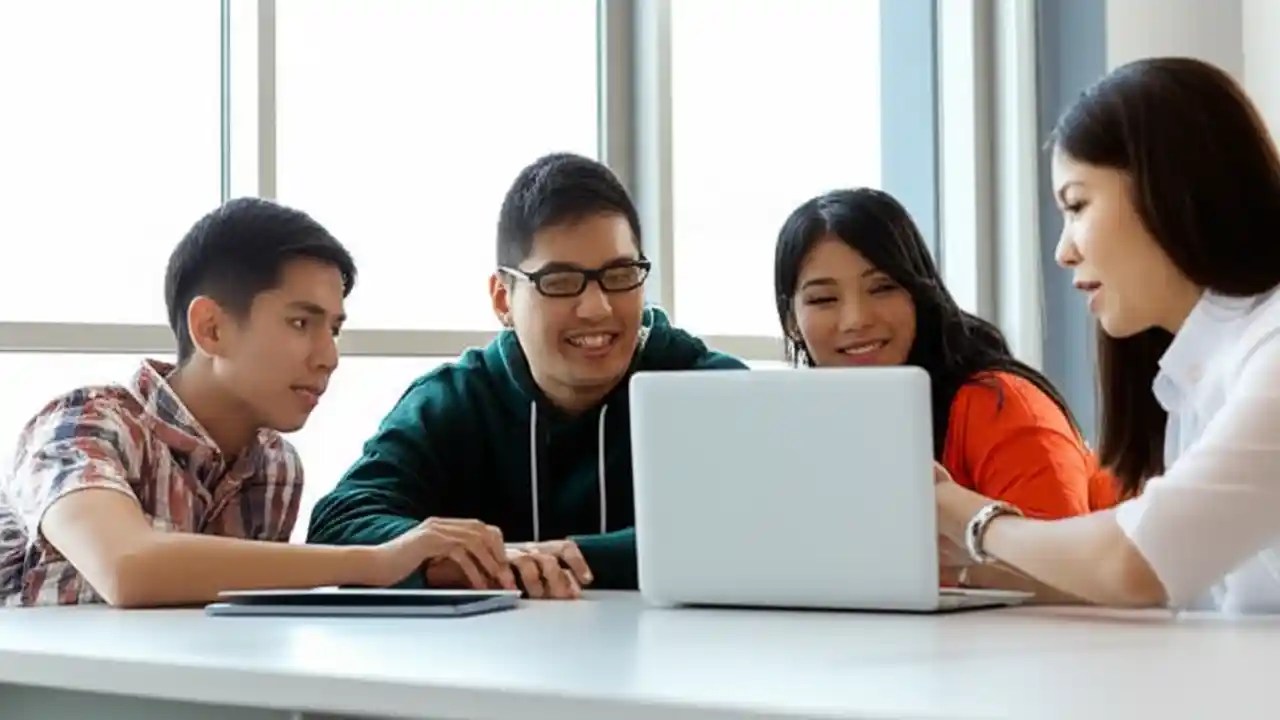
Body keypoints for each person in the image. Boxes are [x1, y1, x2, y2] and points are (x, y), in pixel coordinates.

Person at [0, 198, 507, 607]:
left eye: (334, 329)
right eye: (301, 323)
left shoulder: (276, 470)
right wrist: (377, 560)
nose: (328, 357)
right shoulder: (83, 424)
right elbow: (127, 567)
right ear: (211, 328)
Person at [307, 152, 746, 599]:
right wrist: (454, 557)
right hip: (489, 665)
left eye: (620, 275)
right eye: (559, 282)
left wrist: (567, 557)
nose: (598, 308)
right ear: (503, 299)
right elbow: (338, 524)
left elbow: (765, 525)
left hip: (681, 662)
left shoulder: (710, 390)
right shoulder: (455, 400)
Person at [935, 57, 1280, 613]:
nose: (1063, 250)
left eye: (1076, 206)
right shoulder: (1196, 373)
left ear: (1166, 184)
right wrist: (963, 575)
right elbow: (1181, 591)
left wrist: (965, 514)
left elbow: (1137, 565)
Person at [775, 187, 1117, 523]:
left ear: (920, 293)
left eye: (882, 288)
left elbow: (1060, 568)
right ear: (791, 320)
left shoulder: (999, 401)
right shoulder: (799, 427)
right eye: (823, 299)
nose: (856, 319)